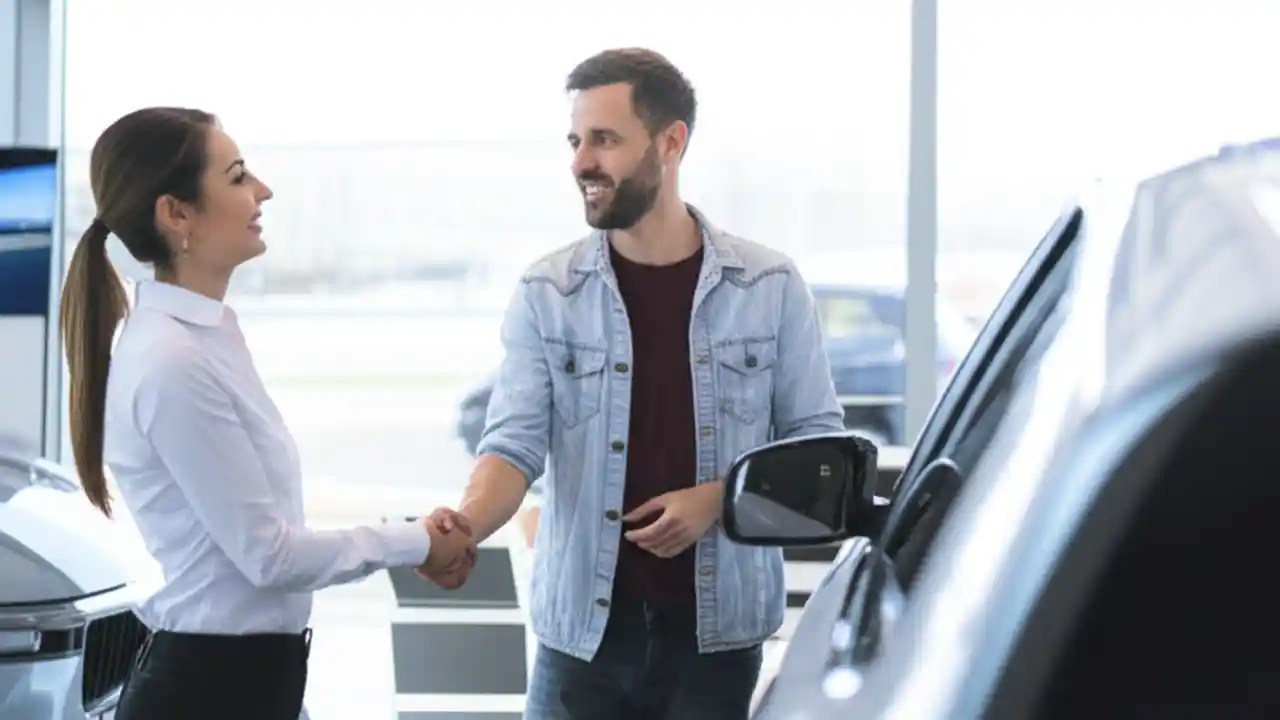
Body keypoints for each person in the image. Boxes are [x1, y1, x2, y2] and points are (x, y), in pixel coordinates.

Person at [425, 48, 845, 719]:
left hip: (716, 641)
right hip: (580, 642)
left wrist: (719, 499)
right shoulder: (548, 292)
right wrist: (465, 525)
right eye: (575, 140)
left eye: (604, 139)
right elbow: (512, 445)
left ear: (670, 142)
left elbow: (819, 444)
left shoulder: (769, 287)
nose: (581, 162)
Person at [59, 107, 477, 720]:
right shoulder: (171, 361)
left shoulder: (203, 338)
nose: (263, 190)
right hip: (208, 689)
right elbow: (269, 557)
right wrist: (414, 540)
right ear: (177, 214)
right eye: (236, 177)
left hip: (249, 682)